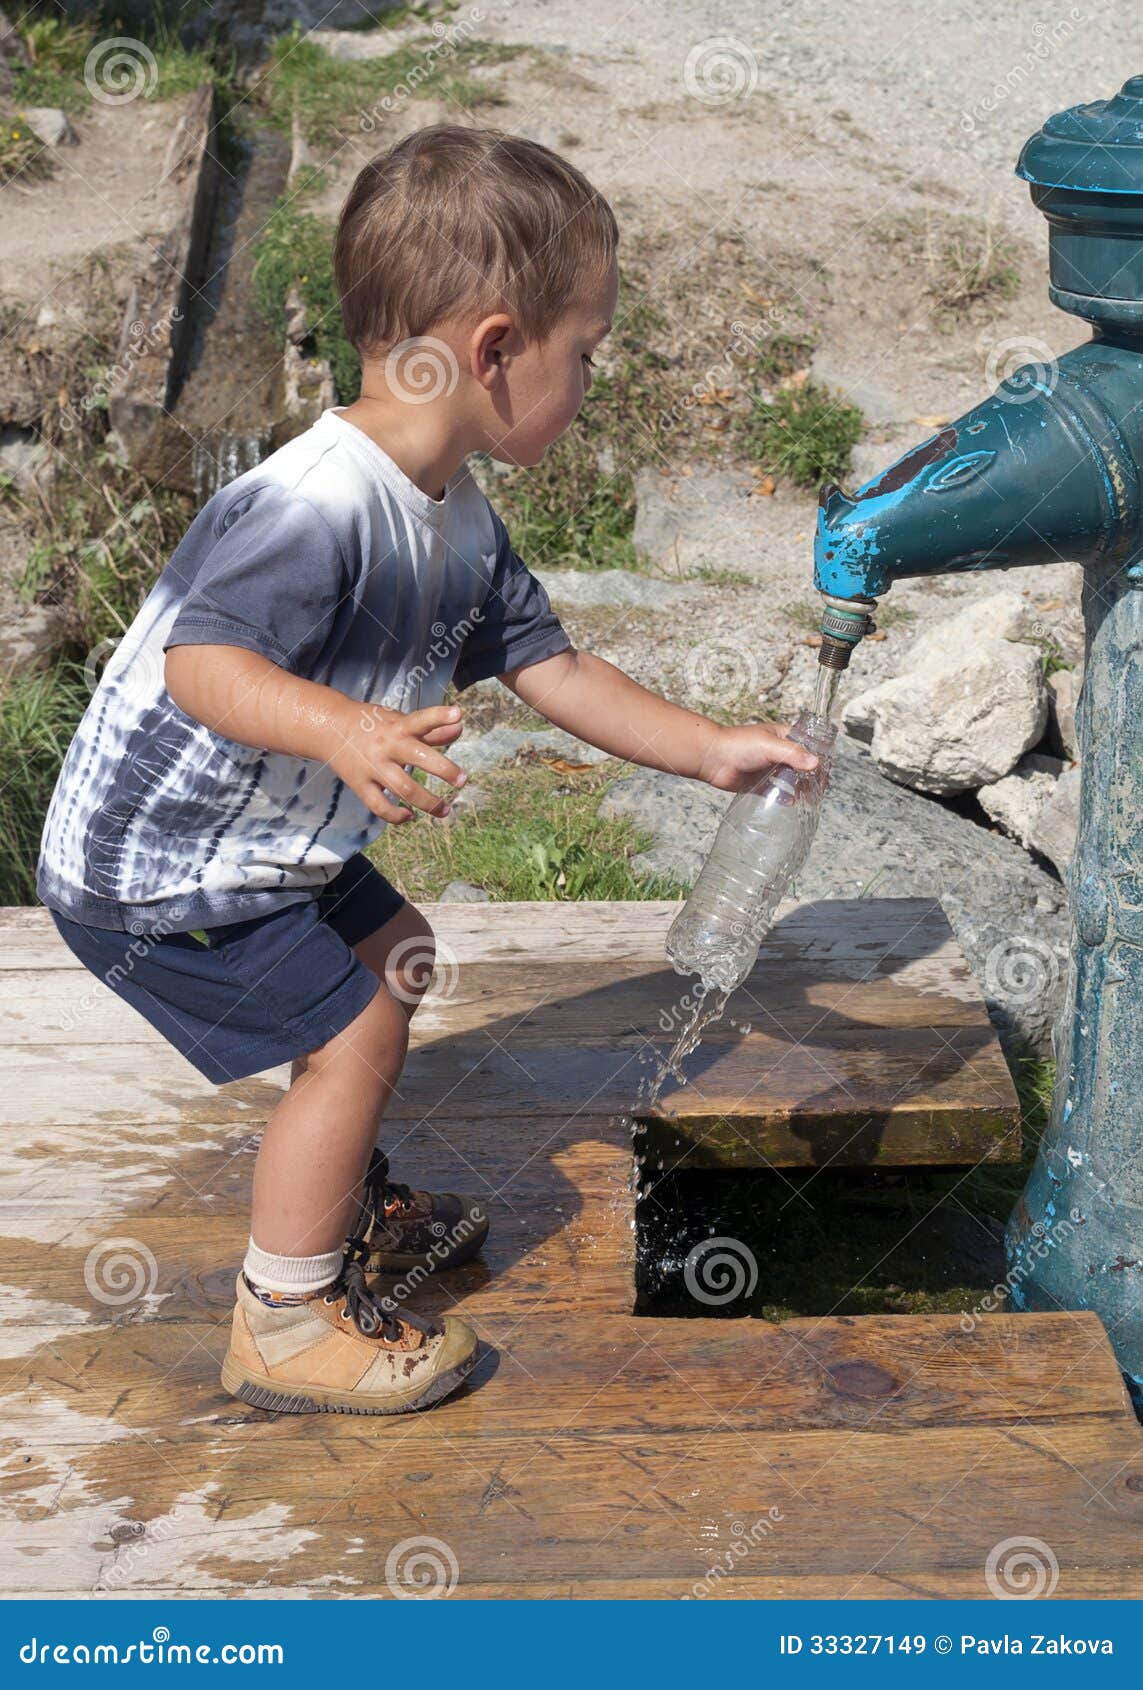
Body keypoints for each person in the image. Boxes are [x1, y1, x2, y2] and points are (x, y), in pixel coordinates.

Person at [38, 125, 818, 1416]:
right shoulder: (317, 505)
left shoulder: (454, 511)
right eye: (587, 353)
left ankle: (338, 1200)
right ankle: (285, 1315)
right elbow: (200, 666)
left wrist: (712, 749)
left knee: (393, 950)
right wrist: (342, 730)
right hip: (154, 863)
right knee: (351, 1023)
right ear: (498, 350)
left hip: (257, 839)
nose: (591, 380)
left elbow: (552, 667)